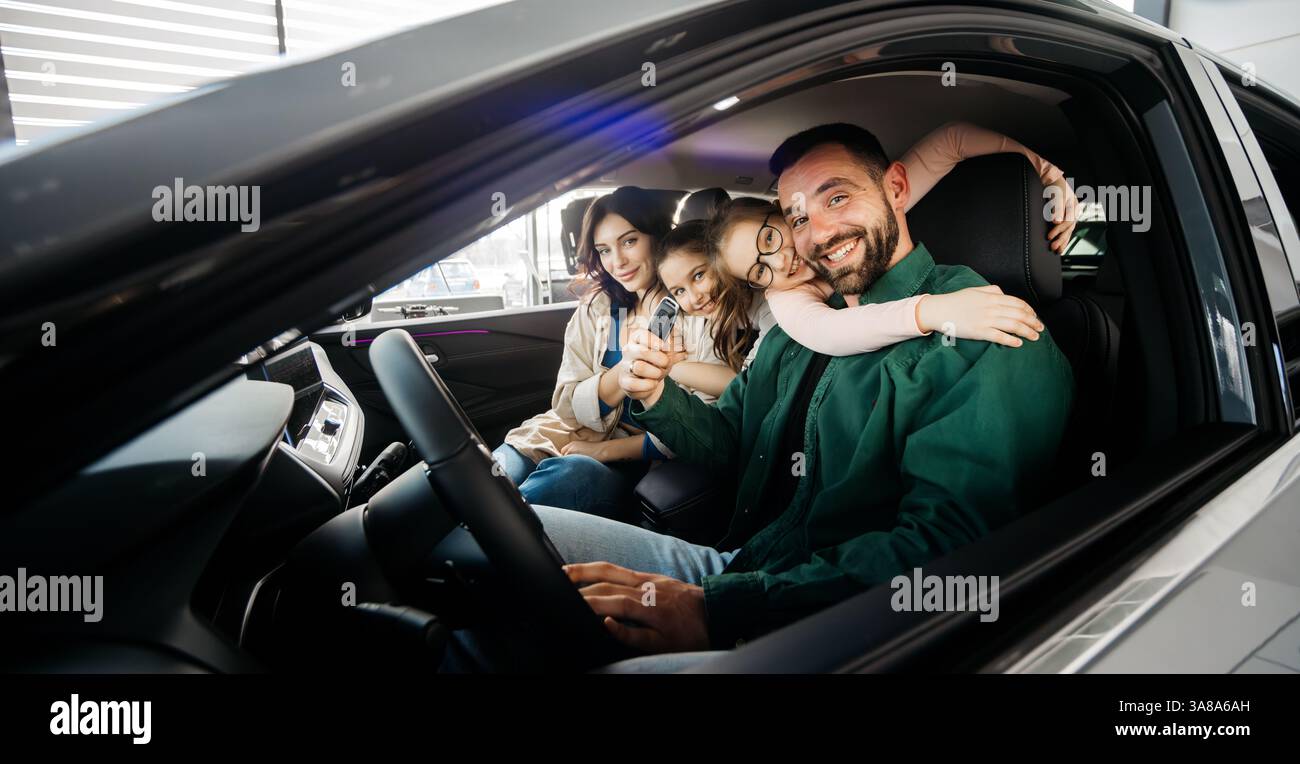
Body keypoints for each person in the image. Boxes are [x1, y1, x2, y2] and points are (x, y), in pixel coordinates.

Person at [564, 121, 1075, 658]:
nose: (819, 232)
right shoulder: (797, 328)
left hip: (821, 625)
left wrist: (721, 610)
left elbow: (945, 553)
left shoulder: (990, 332)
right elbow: (727, 441)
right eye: (800, 216)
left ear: (897, 189)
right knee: (511, 543)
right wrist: (655, 394)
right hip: (739, 566)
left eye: (838, 197)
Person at [489, 187, 729, 521]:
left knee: (551, 488)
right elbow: (566, 407)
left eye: (629, 241)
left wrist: (603, 450)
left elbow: (703, 426)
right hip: (559, 434)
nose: (617, 262)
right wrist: (624, 371)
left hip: (639, 462)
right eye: (604, 250)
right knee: (488, 479)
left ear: (657, 235)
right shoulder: (601, 307)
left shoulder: (698, 308)